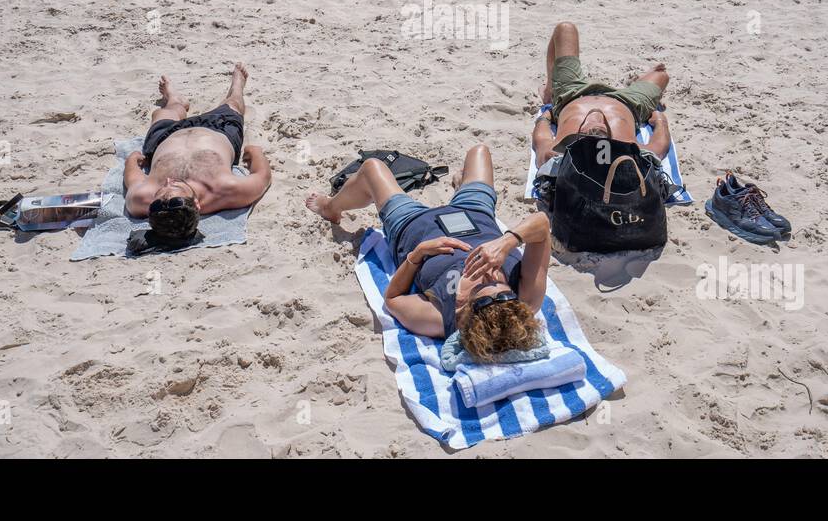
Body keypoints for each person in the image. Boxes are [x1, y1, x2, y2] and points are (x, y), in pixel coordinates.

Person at [306, 144, 551, 355]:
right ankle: (460, 187)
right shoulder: (526, 296)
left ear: (463, 305)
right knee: (479, 151)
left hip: (414, 225)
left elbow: (393, 299)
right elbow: (541, 224)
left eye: (481, 286)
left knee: (372, 167)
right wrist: (506, 242)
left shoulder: (441, 316)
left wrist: (419, 254)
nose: (489, 274)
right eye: (502, 289)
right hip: (474, 214)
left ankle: (330, 206)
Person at [123, 63, 272, 240]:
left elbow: (133, 178)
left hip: (164, 138)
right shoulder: (228, 190)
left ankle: (174, 99)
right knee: (233, 104)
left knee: (163, 113)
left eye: (160, 191)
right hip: (218, 129)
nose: (168, 182)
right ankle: (237, 85)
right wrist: (255, 152)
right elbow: (263, 176)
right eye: (175, 186)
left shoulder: (140, 200)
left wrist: (131, 161)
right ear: (196, 204)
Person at [532, 21, 671, 167]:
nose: (597, 118)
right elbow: (658, 149)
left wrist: (546, 116)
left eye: (588, 129)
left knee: (565, 28)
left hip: (571, 94)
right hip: (629, 102)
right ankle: (638, 82)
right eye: (602, 128)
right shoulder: (628, 150)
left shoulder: (556, 152)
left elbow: (541, 141)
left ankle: (549, 90)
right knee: (662, 75)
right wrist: (660, 121)